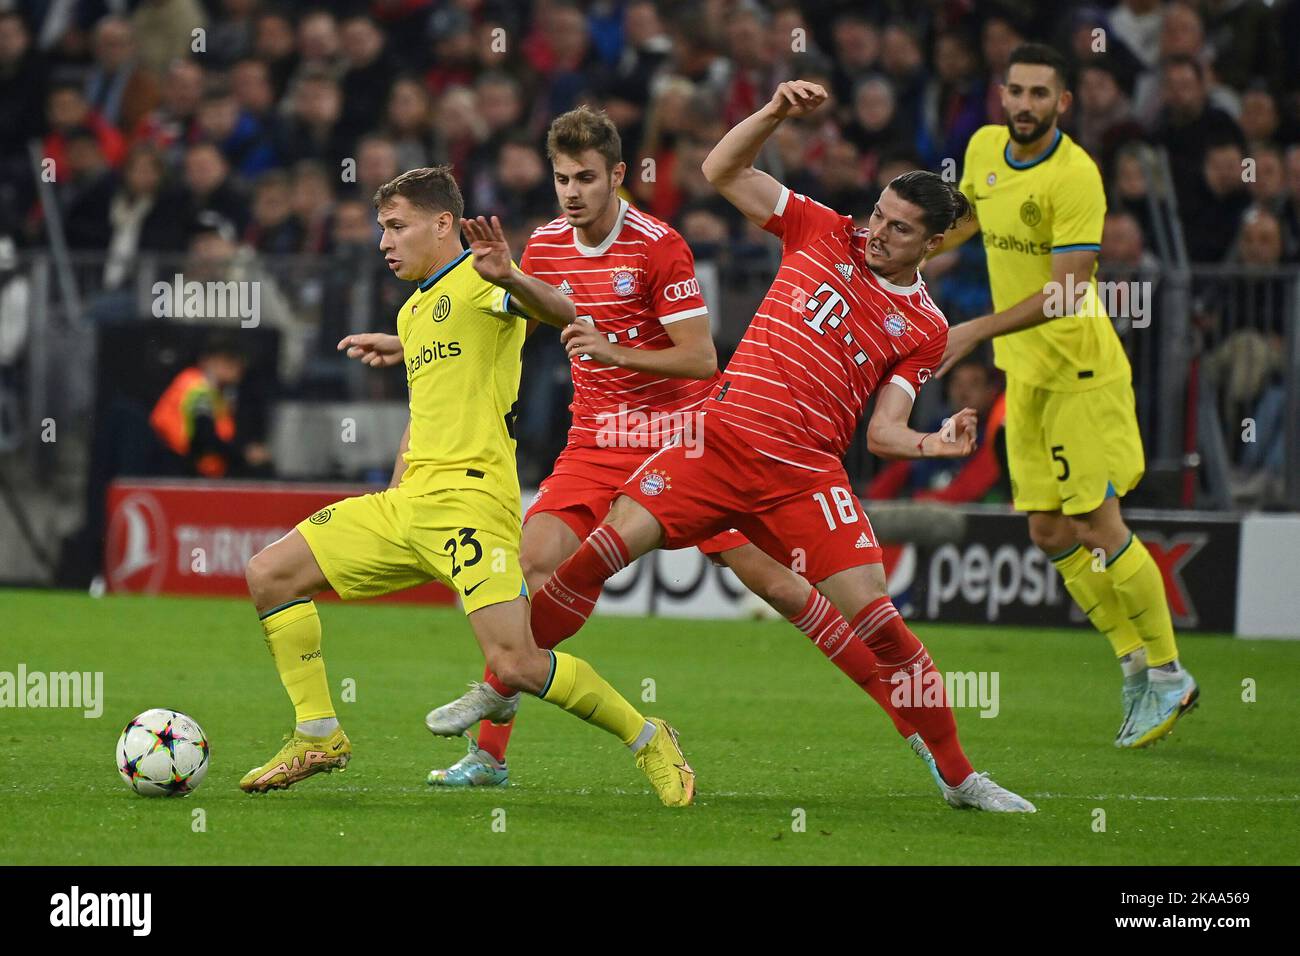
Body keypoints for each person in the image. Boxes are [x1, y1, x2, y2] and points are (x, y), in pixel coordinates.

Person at [407, 82, 1034, 812]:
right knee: (578, 560)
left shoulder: (921, 327)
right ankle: (500, 699)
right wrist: (773, 111)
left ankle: (955, 771)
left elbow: (879, 429)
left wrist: (934, 442)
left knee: (864, 618)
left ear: (932, 244)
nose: (875, 234)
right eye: (877, 215)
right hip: (700, 442)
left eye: (897, 230)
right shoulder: (824, 229)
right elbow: (723, 171)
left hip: (782, 466)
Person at [238, 166, 696, 807]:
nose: (384, 242)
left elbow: (565, 310)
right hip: (407, 503)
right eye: (381, 229)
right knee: (270, 574)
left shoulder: (483, 282)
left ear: (444, 223)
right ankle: (318, 733)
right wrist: (397, 463)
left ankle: (647, 736)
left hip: (472, 503)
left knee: (515, 664)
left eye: (397, 227)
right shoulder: (416, 308)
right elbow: (429, 409)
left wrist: (510, 274)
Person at [934, 43, 1197, 749]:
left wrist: (975, 330)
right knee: (1048, 532)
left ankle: (1171, 672)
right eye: (1014, 91)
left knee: (1097, 526)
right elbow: (969, 219)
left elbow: (1066, 289)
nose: (1023, 105)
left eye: (1038, 94)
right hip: (1025, 374)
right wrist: (907, 251)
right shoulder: (986, 146)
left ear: (1062, 103)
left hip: (1080, 373)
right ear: (1001, 93)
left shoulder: (1076, 175)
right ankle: (1134, 662)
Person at [149, 333, 265, 478]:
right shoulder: (198, 389)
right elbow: (205, 437)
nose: (237, 367)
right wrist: (243, 455)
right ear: (207, 361)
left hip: (188, 469)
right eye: (228, 360)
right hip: (178, 470)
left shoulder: (211, 391)